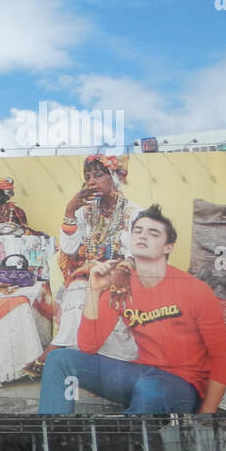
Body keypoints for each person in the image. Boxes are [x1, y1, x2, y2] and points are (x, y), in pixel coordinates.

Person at [38, 205, 226, 415]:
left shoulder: (195, 290)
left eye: (153, 233)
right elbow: (88, 346)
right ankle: (53, 437)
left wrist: (206, 413)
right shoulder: (120, 286)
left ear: (167, 247)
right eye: (138, 231)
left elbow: (224, 357)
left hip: (183, 386)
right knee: (59, 360)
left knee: (150, 388)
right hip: (140, 374)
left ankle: (126, 442)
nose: (143, 236)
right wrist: (94, 290)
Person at [29, 155, 142, 374]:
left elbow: (137, 254)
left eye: (98, 175)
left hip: (123, 273)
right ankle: (70, 350)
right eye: (87, 176)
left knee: (82, 283)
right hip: (89, 273)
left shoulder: (135, 213)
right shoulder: (85, 211)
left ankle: (60, 347)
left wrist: (116, 268)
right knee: (80, 284)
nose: (91, 181)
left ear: (115, 178)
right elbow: (69, 249)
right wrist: (70, 210)